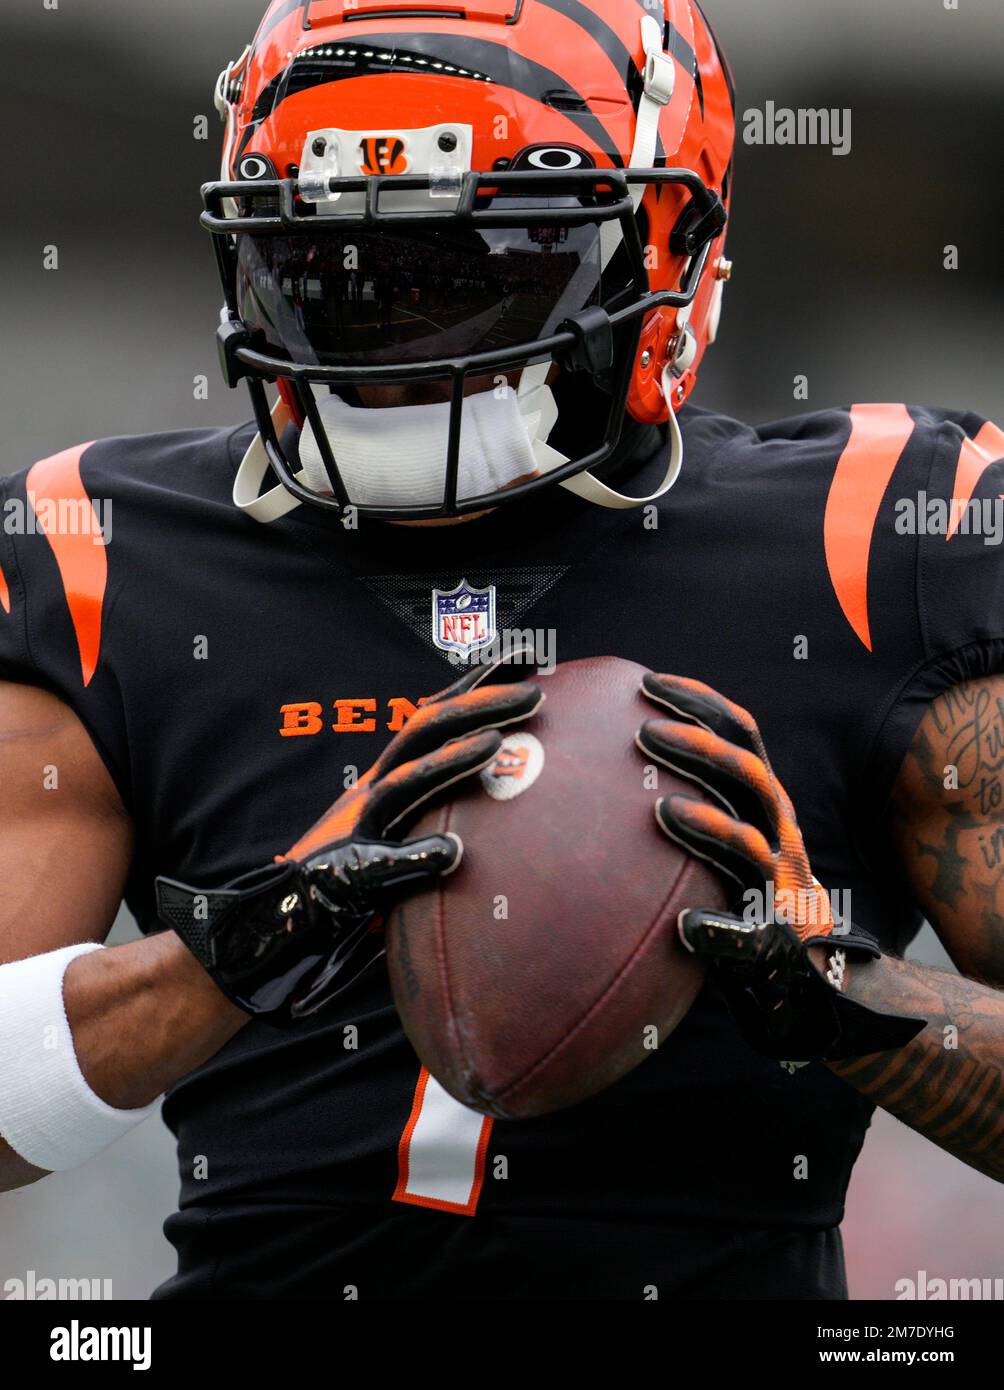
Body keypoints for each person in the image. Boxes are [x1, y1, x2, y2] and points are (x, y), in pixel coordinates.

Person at [0, 0, 1001, 1301]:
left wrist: (852, 1003)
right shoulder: (100, 550)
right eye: (331, 270)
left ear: (674, 244)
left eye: (471, 266)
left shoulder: (875, 538)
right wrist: (217, 963)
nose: (396, 341)